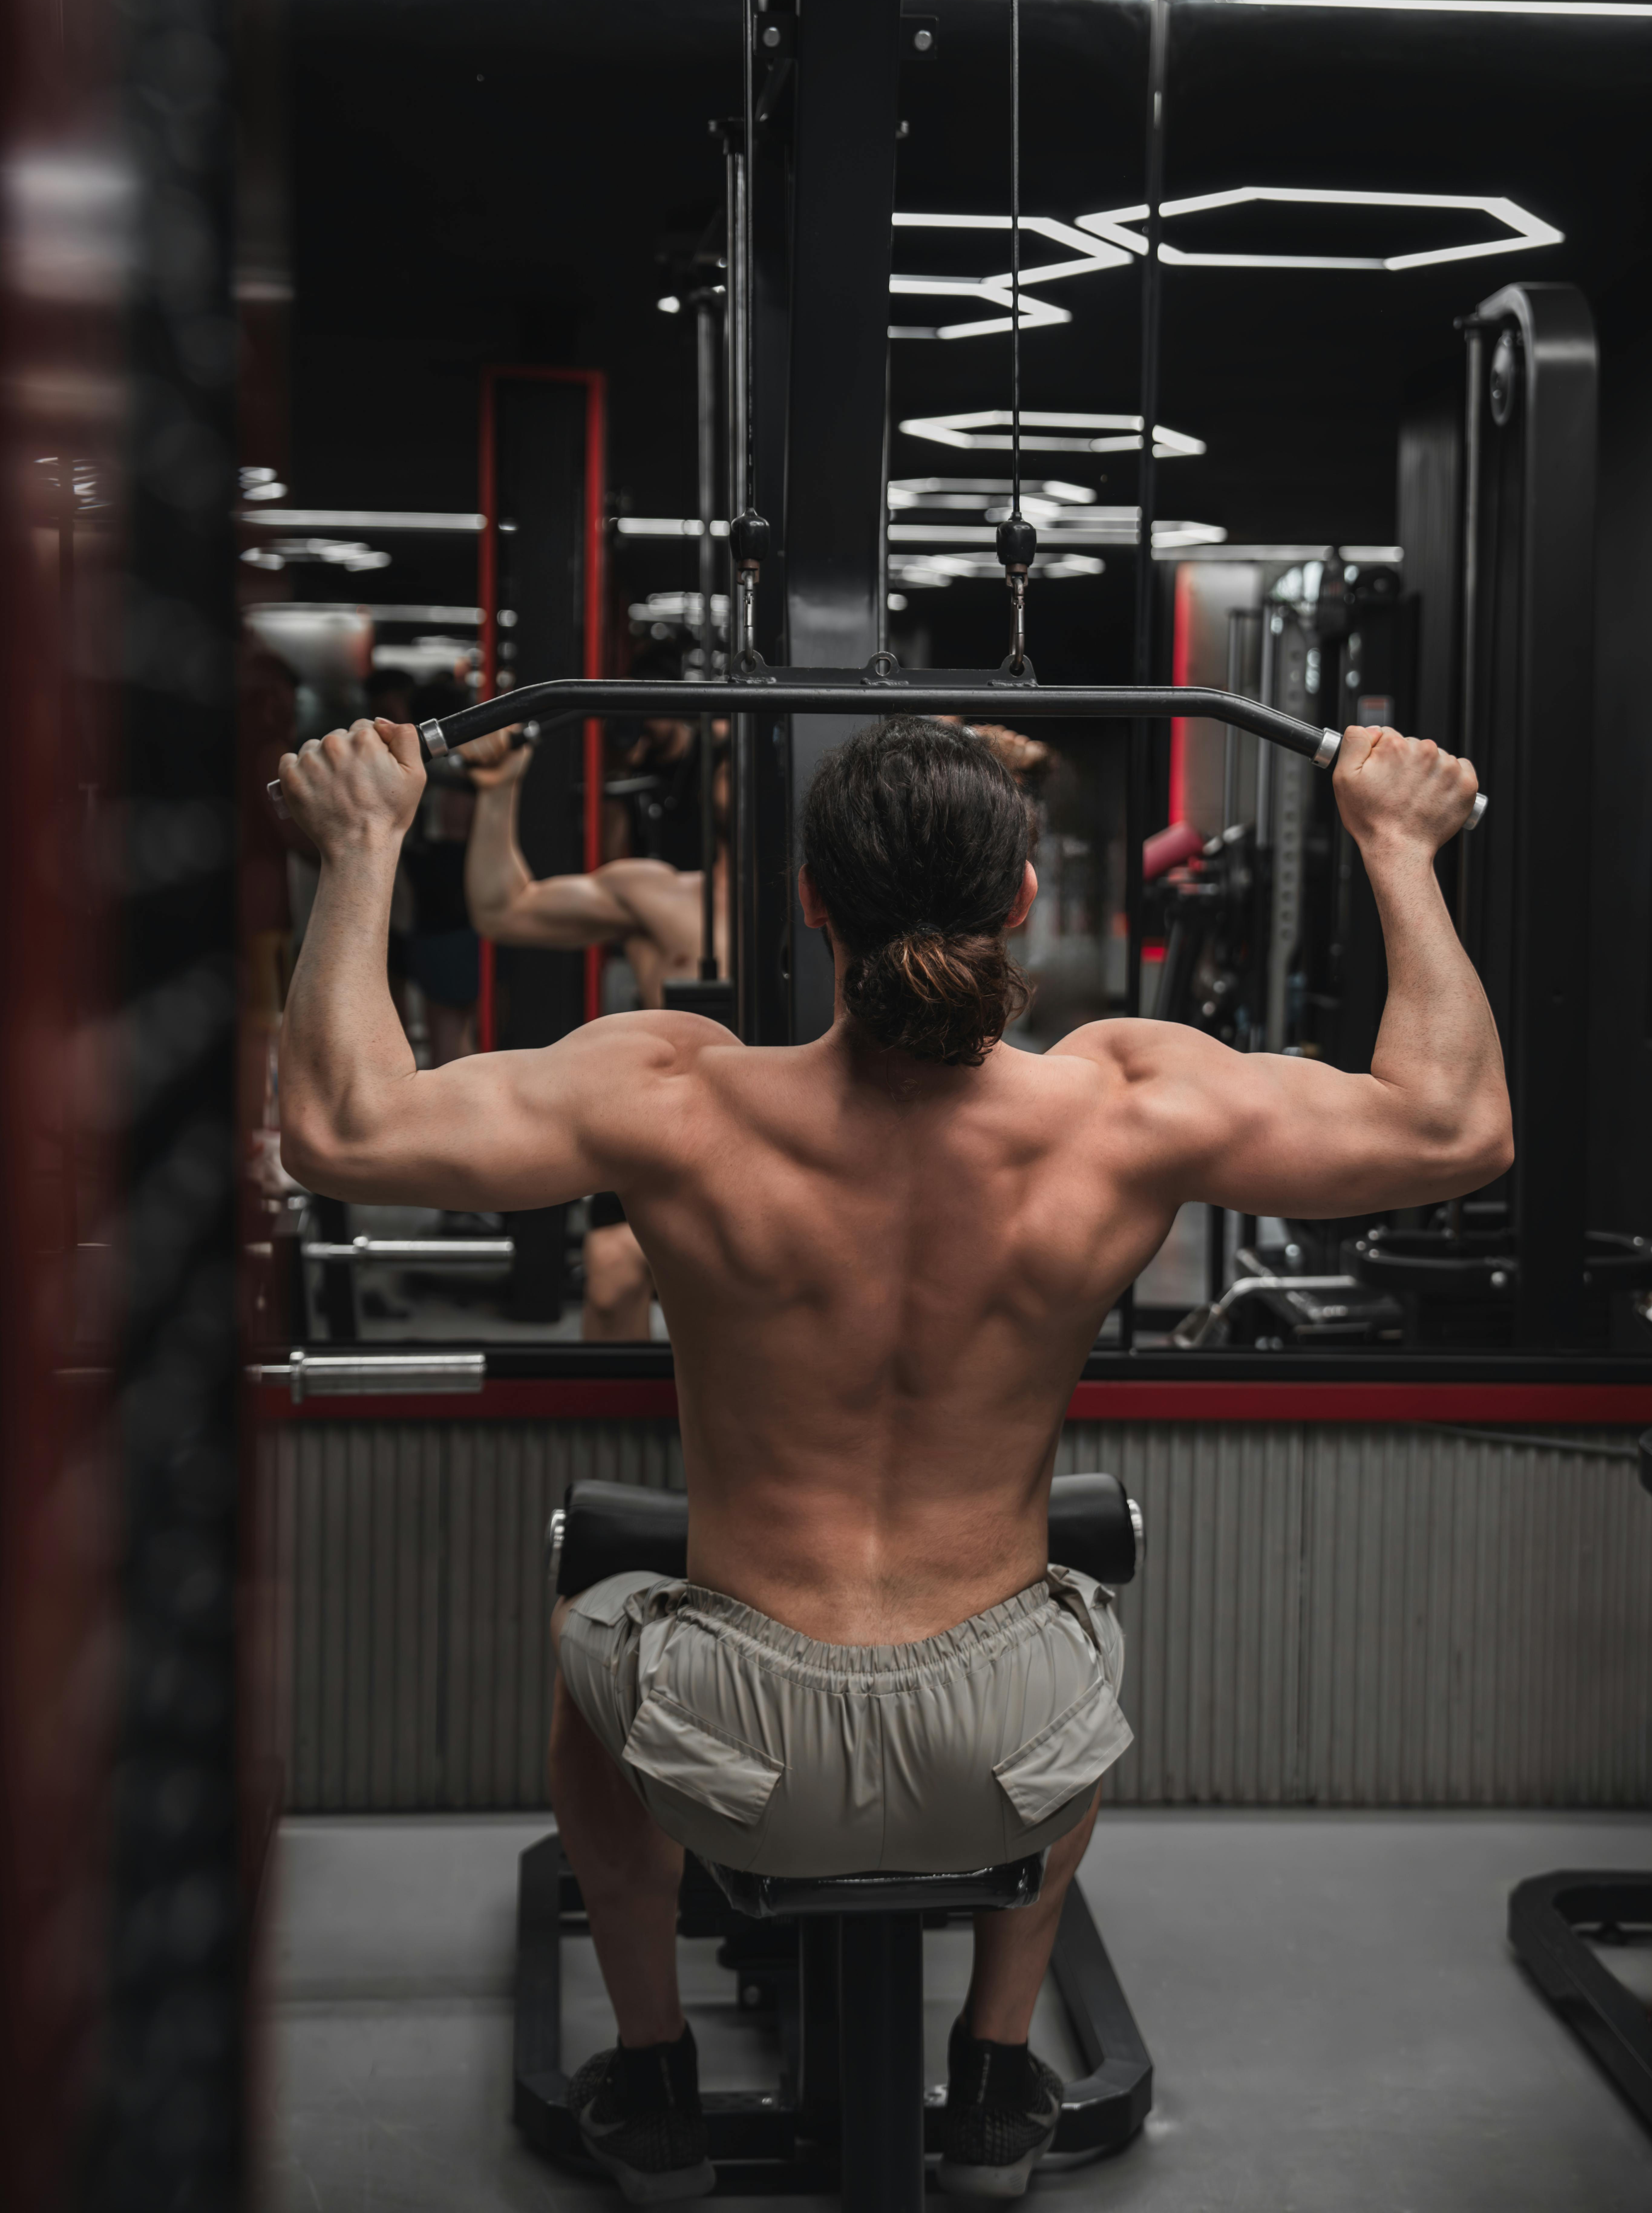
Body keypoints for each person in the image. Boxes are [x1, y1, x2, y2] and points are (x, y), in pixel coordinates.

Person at [274, 713, 1507, 2203]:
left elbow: (339, 1128)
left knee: (588, 1629)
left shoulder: (675, 1093)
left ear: (807, 903)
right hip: (1004, 1747)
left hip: (734, 1744)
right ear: (1022, 899)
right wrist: (1397, 846)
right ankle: (992, 2083)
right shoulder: (1125, 1107)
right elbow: (1457, 1129)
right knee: (1072, 1624)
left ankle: (656, 2079)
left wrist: (358, 846)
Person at [460, 721, 730, 1342]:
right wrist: (499, 792)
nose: (740, 775)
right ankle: (618, 1436)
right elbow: (504, 909)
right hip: (670, 1121)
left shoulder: (844, 905)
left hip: (785, 1122)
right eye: (726, 763)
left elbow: (995, 913)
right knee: (611, 1270)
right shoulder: (656, 894)